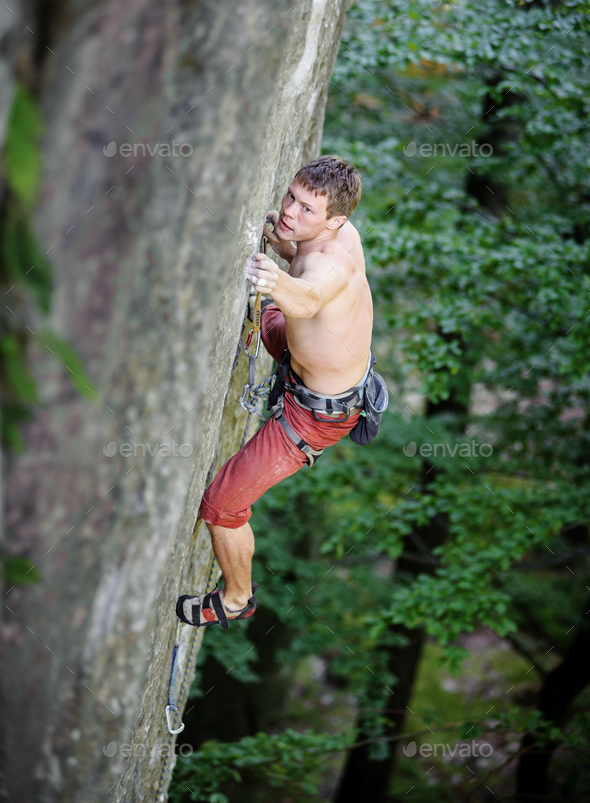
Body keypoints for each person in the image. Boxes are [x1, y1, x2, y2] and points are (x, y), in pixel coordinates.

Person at [176, 155, 373, 630]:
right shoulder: (335, 234)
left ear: (336, 221)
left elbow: (307, 297)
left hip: (314, 418)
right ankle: (265, 315)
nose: (290, 212)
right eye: (291, 197)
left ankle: (237, 598)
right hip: (304, 364)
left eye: (308, 210)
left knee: (221, 506)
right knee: (269, 318)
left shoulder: (329, 265)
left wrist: (275, 278)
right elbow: (302, 290)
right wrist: (287, 260)